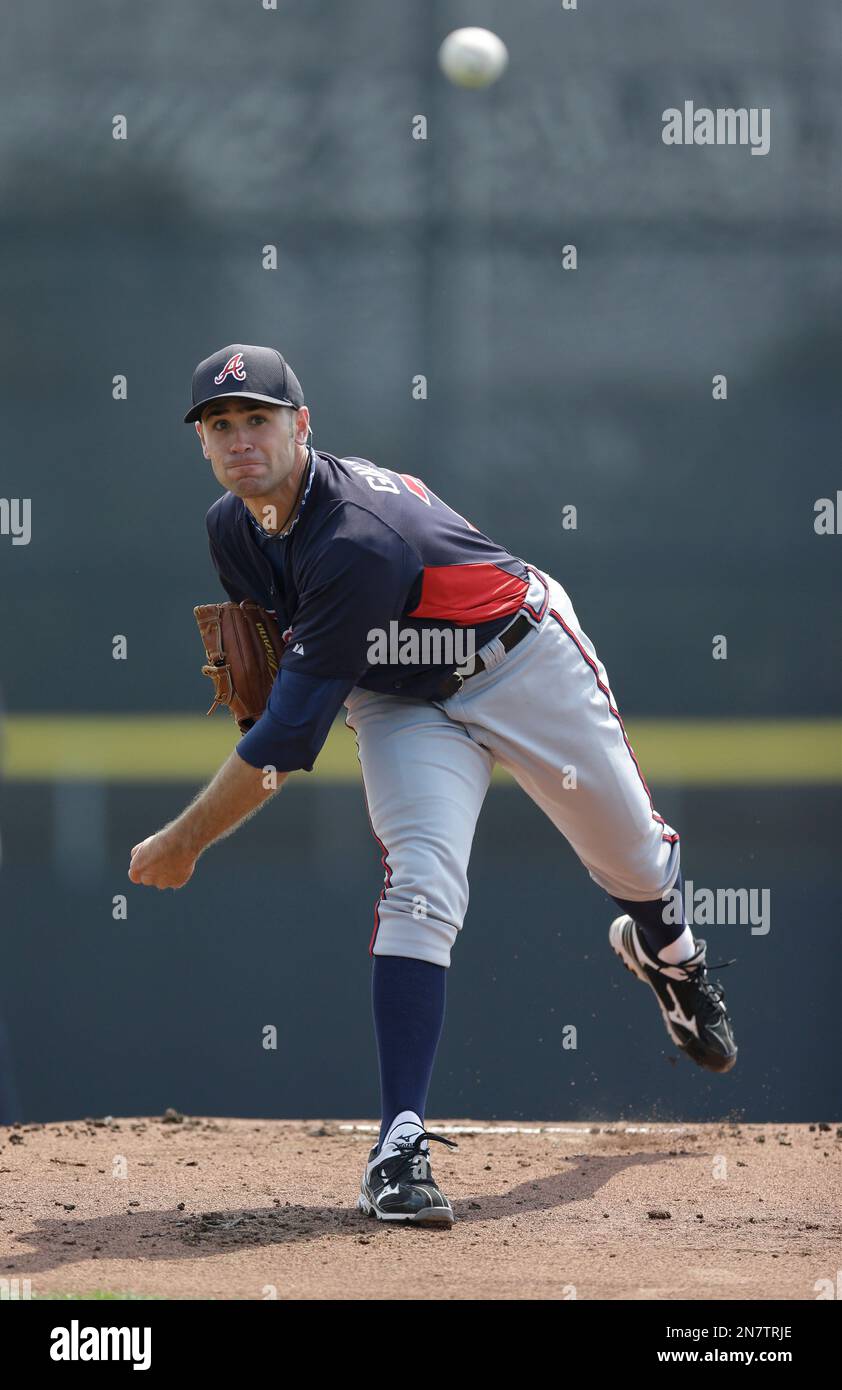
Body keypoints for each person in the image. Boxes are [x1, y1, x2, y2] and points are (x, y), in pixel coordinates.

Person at [129, 343, 737, 1228]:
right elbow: (285, 692)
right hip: (400, 696)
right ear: (203, 444)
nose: (239, 439)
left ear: (303, 426)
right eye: (220, 425)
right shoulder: (232, 528)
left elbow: (287, 738)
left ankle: (668, 954)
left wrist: (185, 838)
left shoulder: (354, 540)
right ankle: (400, 1146)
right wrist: (278, 718)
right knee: (420, 882)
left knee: (636, 864)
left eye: (258, 418)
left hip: (518, 658)